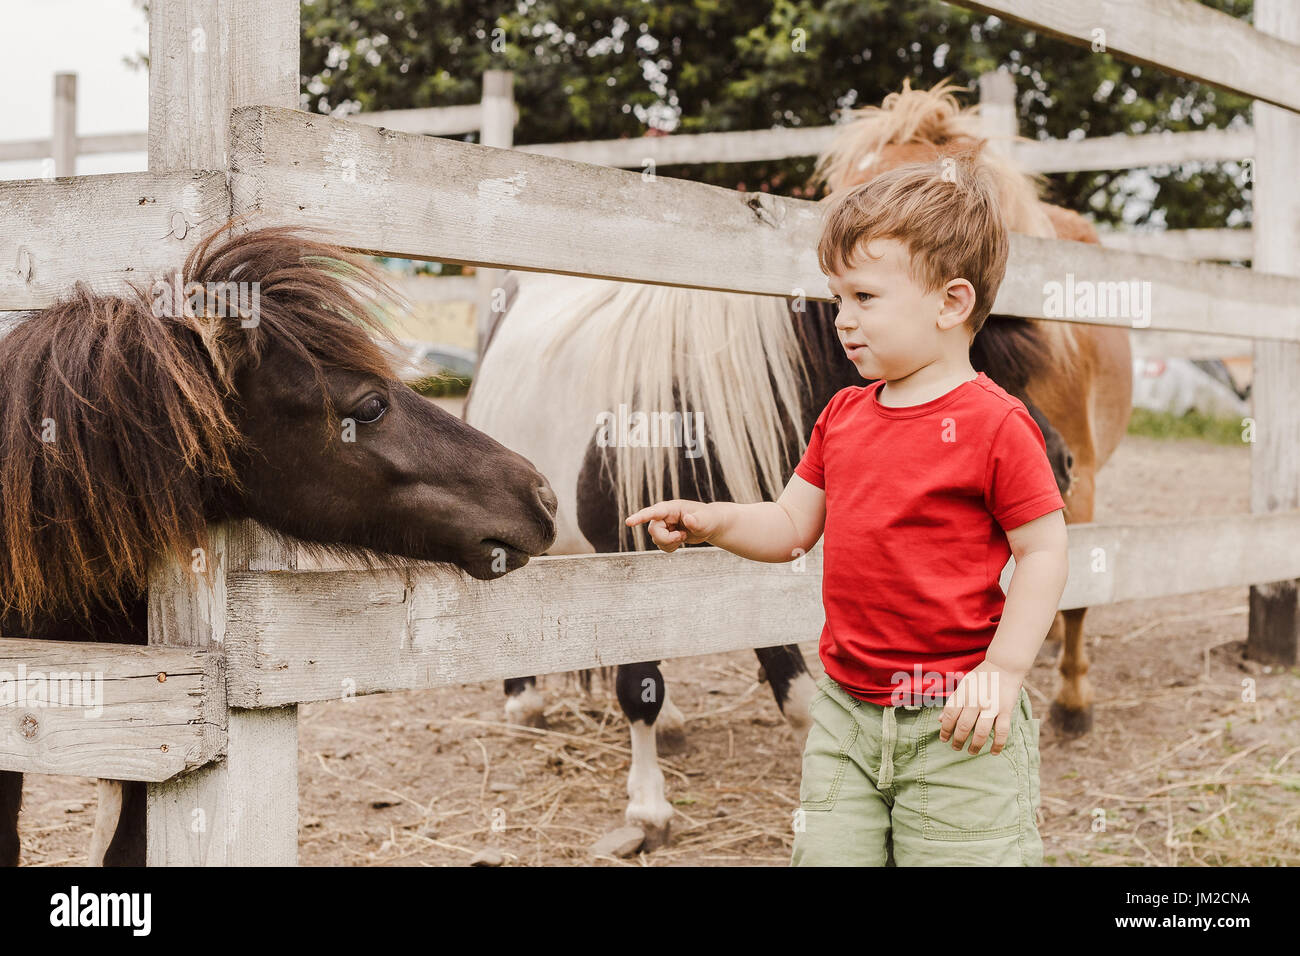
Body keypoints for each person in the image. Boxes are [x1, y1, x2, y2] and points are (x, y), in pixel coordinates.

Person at [625, 158, 1069, 866]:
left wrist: (1005, 669)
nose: (843, 320)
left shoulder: (996, 424)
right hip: (846, 717)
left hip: (958, 722)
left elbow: (1044, 552)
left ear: (951, 304)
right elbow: (790, 526)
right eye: (837, 299)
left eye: (863, 296)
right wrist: (715, 519)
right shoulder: (843, 415)